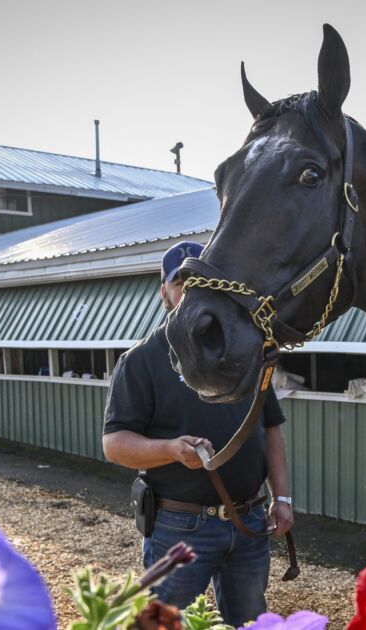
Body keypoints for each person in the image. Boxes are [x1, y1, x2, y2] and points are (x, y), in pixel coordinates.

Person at [102, 241, 293, 625]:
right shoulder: (141, 360)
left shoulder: (245, 353)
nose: (192, 292)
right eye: (182, 283)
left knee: (250, 623)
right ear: (164, 293)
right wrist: (171, 449)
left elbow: (270, 428)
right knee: (162, 623)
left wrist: (282, 497)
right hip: (179, 527)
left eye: (202, 281)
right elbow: (115, 445)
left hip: (249, 521)